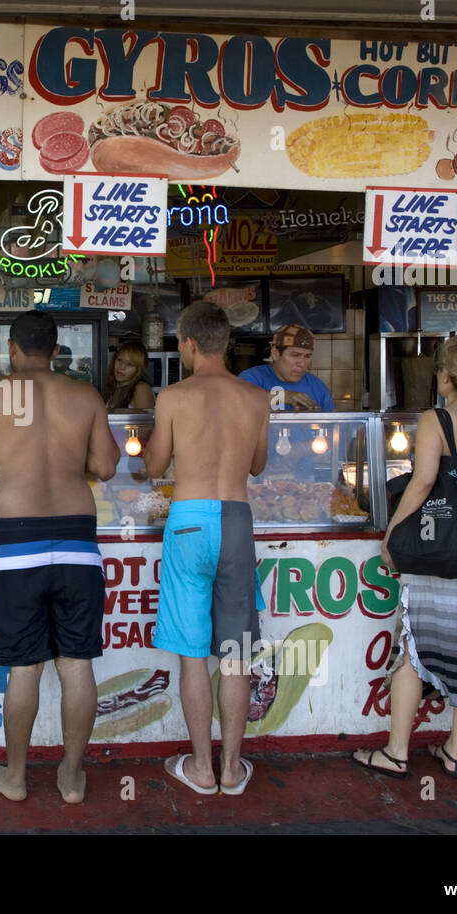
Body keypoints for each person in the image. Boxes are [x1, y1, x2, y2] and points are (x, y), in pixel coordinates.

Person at [354, 335, 457, 780]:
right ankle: (453, 751)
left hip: (436, 554)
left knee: (413, 650)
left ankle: (396, 752)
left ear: (445, 377)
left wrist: (393, 532)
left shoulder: (436, 418)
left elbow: (423, 481)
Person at [0, 311, 120, 804]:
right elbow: (105, 466)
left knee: (24, 669)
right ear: (57, 351)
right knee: (77, 665)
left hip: (19, 543)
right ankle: (73, 776)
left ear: (12, 349)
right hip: (79, 541)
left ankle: (15, 777)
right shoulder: (85, 396)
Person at [144, 301, 270, 796]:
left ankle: (200, 768)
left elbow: (155, 466)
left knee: (193, 656)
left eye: (179, 342)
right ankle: (233, 770)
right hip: (237, 520)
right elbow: (257, 466)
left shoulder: (174, 396)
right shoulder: (256, 398)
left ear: (191, 344)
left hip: (189, 522)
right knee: (236, 654)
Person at [239, 324, 335, 411]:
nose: (302, 364)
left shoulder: (317, 386)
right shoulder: (252, 378)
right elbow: (235, 401)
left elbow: (333, 426)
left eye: (307, 356)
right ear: (275, 353)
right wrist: (283, 396)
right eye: (295, 355)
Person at [102, 341, 156, 410]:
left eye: (129, 364)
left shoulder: (141, 388)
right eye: (119, 360)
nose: (121, 367)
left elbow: (145, 420)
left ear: (138, 370)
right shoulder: (113, 388)